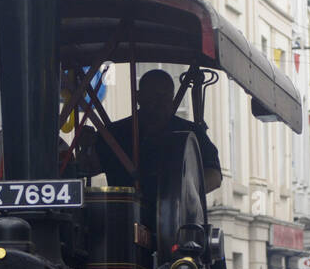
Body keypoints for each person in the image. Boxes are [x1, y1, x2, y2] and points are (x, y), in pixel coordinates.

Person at [80, 69, 222, 200]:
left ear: (171, 99)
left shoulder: (191, 132)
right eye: (153, 96)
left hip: (175, 219)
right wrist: (87, 147)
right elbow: (88, 168)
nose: (159, 103)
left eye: (165, 97)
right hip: (122, 217)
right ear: (138, 97)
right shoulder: (114, 133)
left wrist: (184, 193)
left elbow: (214, 175)